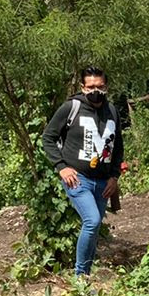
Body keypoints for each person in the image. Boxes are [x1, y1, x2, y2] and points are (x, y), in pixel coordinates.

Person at [40, 65, 123, 277]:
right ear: (82, 87)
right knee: (92, 220)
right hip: (78, 179)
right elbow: (48, 138)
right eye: (91, 87)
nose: (96, 91)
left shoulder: (112, 110)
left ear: (106, 86)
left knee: (93, 230)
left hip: (103, 182)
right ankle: (80, 276)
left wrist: (114, 177)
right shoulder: (71, 108)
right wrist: (62, 167)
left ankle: (85, 276)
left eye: (100, 86)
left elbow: (118, 147)